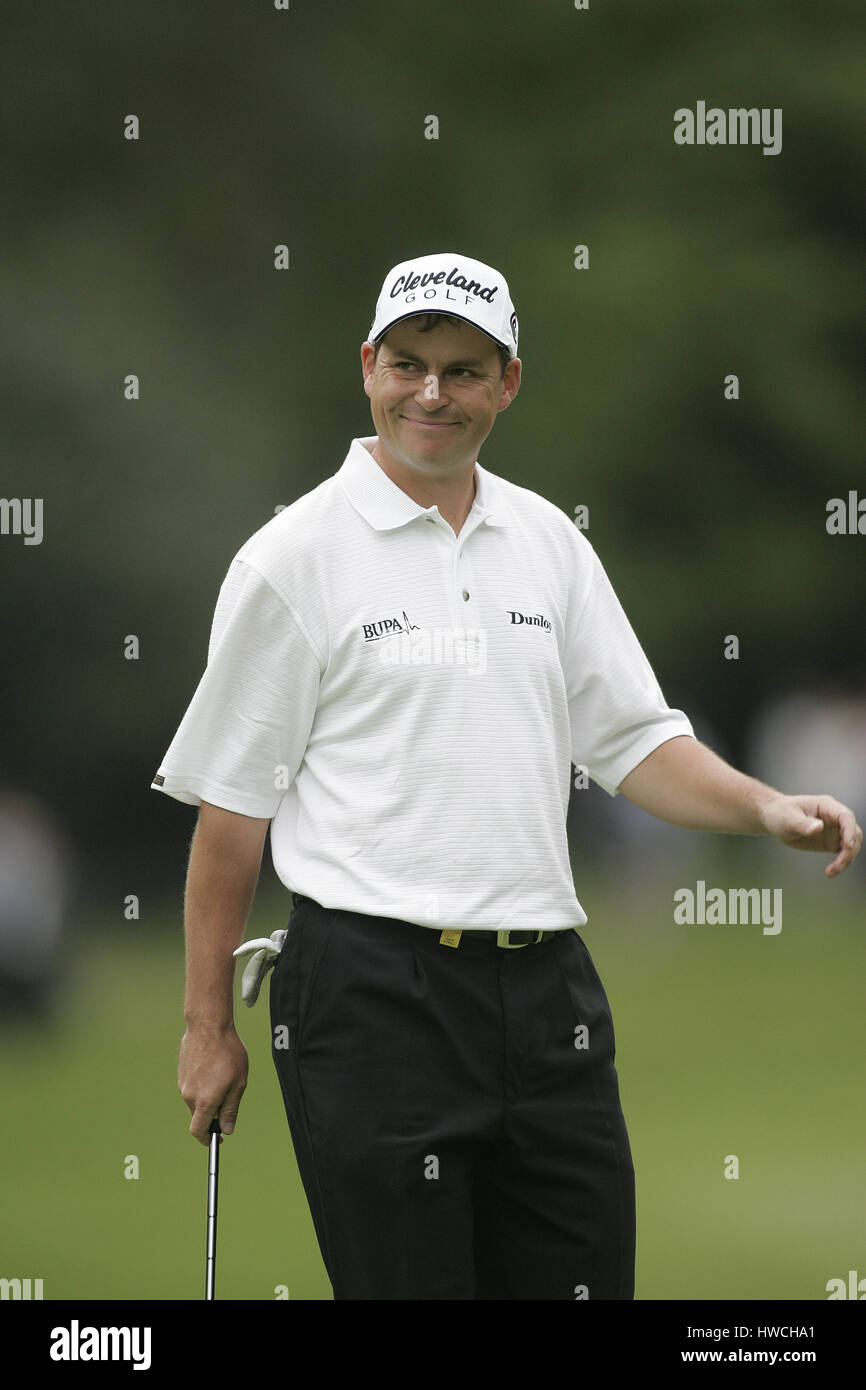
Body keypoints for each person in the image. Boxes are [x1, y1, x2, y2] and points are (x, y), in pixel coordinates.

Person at [152, 252, 862, 1300]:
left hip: (544, 994)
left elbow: (629, 740)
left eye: (462, 369)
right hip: (368, 994)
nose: (430, 393)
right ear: (368, 368)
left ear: (506, 382)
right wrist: (206, 1026)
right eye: (408, 364)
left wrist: (762, 807)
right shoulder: (290, 558)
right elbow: (233, 813)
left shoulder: (547, 544)